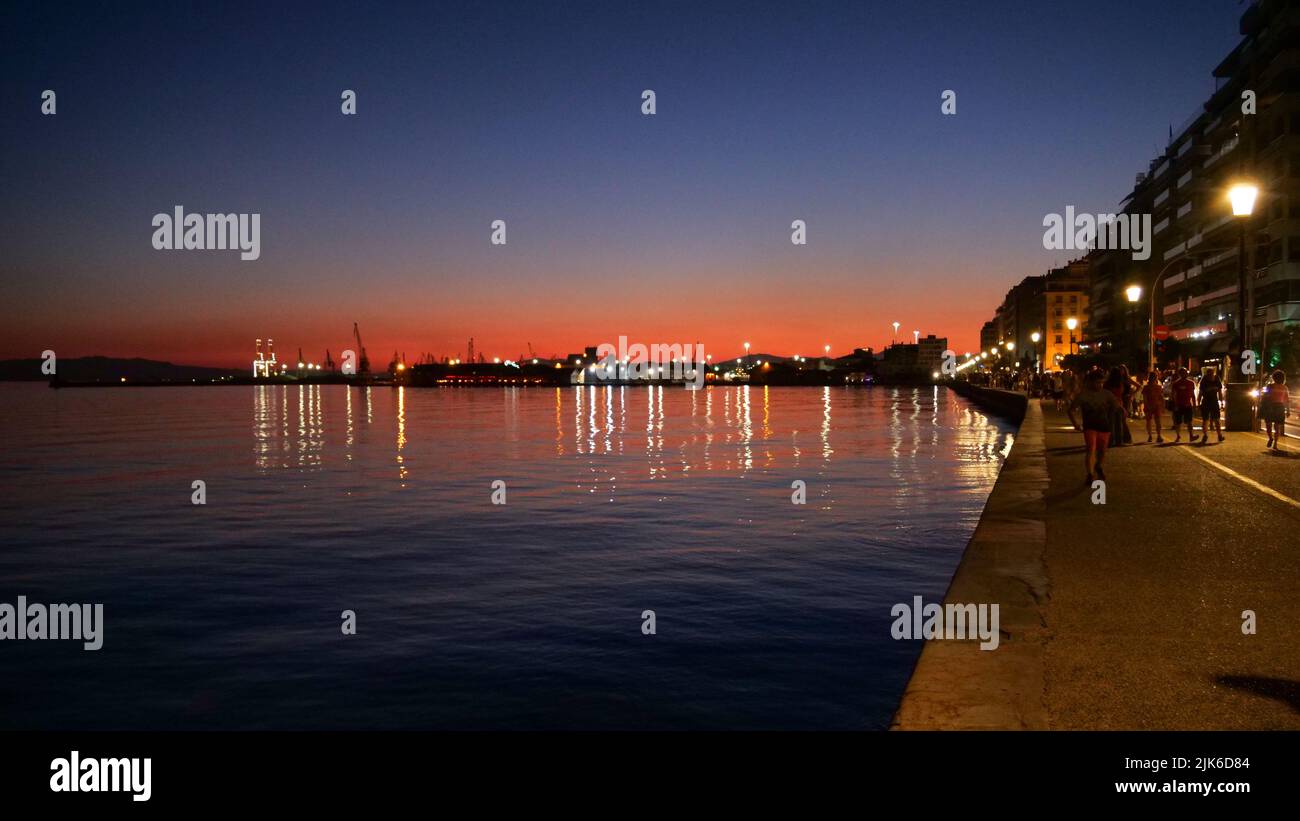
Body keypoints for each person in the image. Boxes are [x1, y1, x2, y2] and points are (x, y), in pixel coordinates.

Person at [1068, 368, 1123, 483]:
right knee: (1091, 449)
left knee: (1102, 450)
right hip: (1090, 426)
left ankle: (1098, 466)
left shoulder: (1106, 394)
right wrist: (1076, 424)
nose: (1100, 385)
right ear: (1091, 382)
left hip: (1104, 425)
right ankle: (1090, 474)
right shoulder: (1083, 395)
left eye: (1102, 382)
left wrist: (1118, 411)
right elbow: (1071, 410)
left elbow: (1116, 405)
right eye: (1098, 382)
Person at [1260, 370, 1290, 451]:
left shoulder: (1270, 386)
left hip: (1270, 406)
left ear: (1274, 377)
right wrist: (1288, 410)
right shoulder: (1285, 388)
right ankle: (1275, 444)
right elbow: (1287, 400)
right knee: (1277, 427)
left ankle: (1270, 438)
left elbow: (1265, 396)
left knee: (1268, 425)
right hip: (1280, 407)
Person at [1169, 367, 1197, 443]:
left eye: (1185, 372)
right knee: (1178, 422)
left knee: (1189, 421)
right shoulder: (1176, 383)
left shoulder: (1191, 383)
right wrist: (1175, 405)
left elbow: (1192, 394)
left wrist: (1194, 405)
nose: (1185, 374)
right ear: (1180, 374)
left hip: (1188, 405)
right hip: (1179, 405)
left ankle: (1191, 436)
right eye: (1183, 373)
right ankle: (1178, 436)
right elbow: (1173, 395)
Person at [1198, 366, 1224, 443]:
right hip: (1206, 401)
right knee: (1205, 419)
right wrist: (1198, 402)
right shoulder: (1204, 380)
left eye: (1212, 373)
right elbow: (1200, 393)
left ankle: (1219, 435)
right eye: (1209, 373)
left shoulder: (1216, 379)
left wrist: (1221, 401)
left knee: (1216, 419)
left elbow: (1220, 391)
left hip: (1214, 401)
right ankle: (1205, 435)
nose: (1211, 375)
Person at [1142, 370, 1165, 443]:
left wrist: (1163, 406)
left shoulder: (1158, 387)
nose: (1153, 378)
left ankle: (1158, 436)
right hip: (1150, 405)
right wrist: (1146, 405)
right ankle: (1151, 436)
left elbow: (1161, 397)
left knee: (1157, 422)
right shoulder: (1146, 387)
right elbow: (1145, 398)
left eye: (1154, 377)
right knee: (1150, 421)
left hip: (1156, 406)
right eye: (1152, 377)